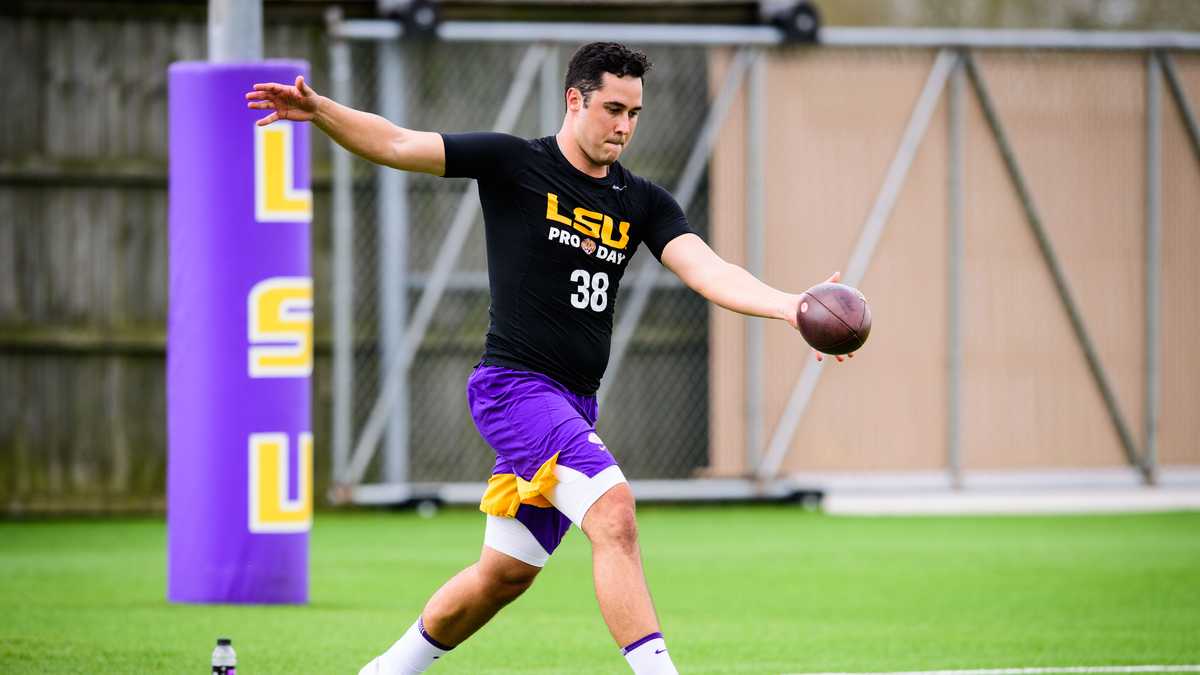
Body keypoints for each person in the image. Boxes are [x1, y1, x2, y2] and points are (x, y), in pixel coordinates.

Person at [246, 41, 851, 675]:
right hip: (514, 391)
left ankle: (384, 672)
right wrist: (322, 111)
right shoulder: (514, 163)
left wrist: (790, 306)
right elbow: (399, 143)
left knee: (504, 575)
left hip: (573, 405)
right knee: (614, 512)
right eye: (612, 109)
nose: (624, 126)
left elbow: (708, 270)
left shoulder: (642, 201)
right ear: (575, 100)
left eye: (634, 113)